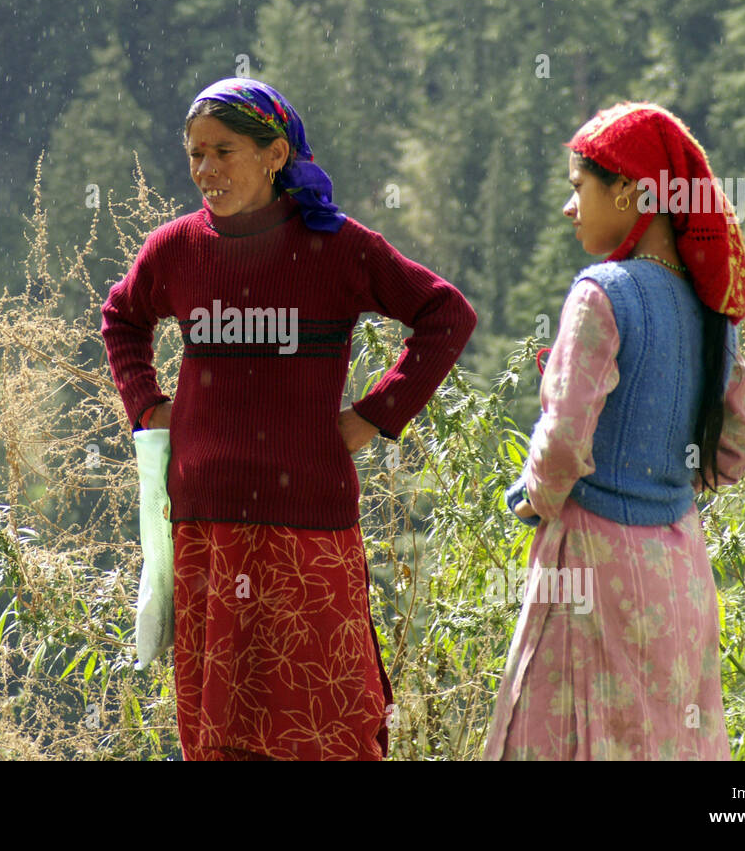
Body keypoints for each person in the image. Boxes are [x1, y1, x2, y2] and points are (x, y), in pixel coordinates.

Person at [102, 77, 477, 760]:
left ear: (275, 153)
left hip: (308, 523)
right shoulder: (176, 250)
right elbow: (121, 316)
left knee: (328, 721)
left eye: (224, 151)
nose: (205, 170)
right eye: (194, 155)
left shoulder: (337, 248)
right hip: (206, 526)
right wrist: (150, 409)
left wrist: (371, 417)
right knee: (223, 729)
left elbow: (446, 315)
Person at [486, 101, 745, 760]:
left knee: (574, 738)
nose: (569, 208)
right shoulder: (711, 310)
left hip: (594, 568)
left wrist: (527, 498)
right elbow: (731, 456)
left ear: (631, 191)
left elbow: (565, 442)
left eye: (579, 189)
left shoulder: (602, 293)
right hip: (680, 569)